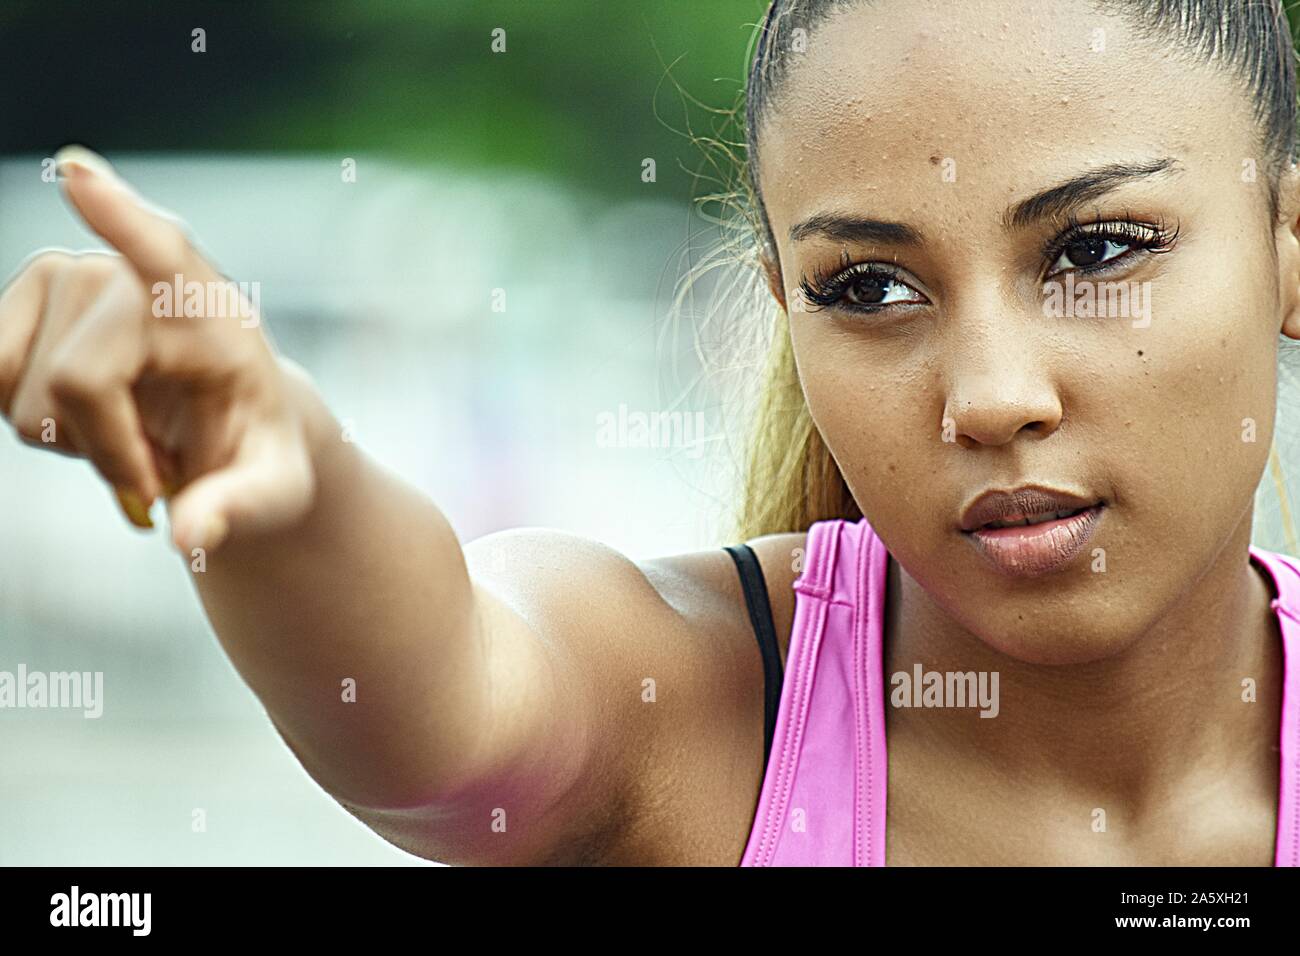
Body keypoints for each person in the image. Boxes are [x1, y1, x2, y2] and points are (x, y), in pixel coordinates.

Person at [3, 0, 1300, 866]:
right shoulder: (695, 708)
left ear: (1285, 248)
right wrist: (280, 473)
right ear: (789, 307)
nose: (991, 395)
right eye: (869, 288)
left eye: (1097, 249)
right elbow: (449, 698)